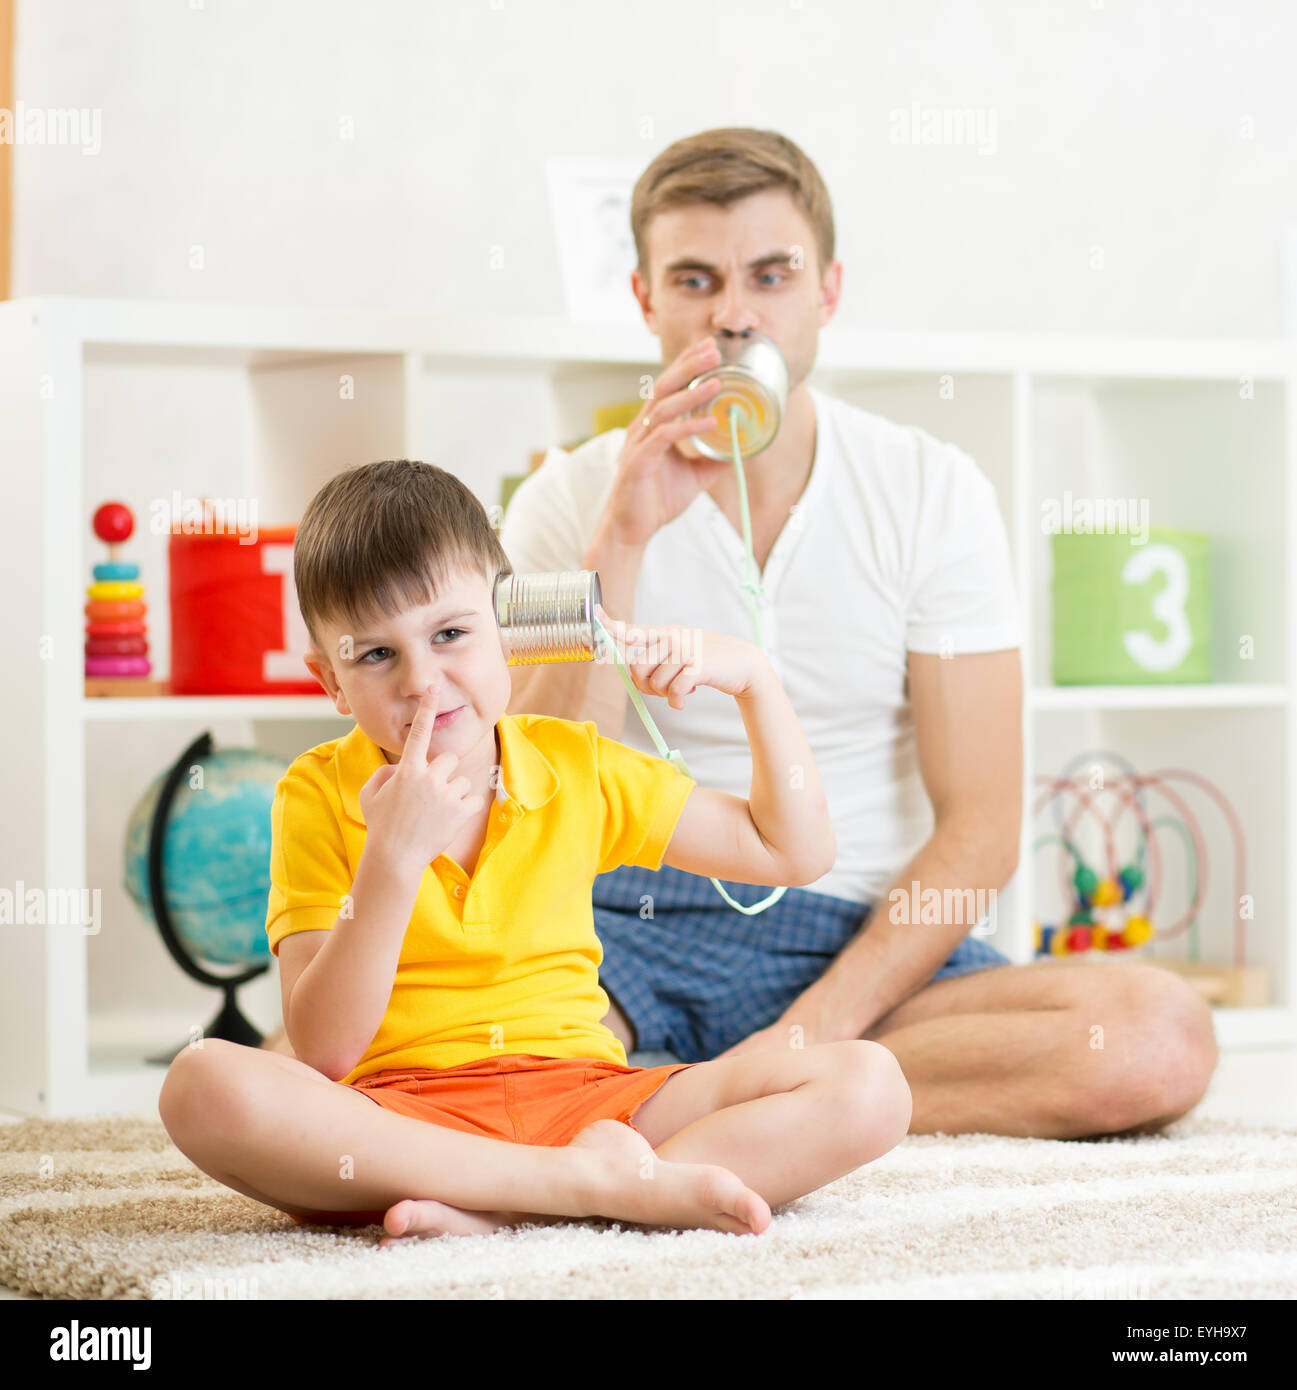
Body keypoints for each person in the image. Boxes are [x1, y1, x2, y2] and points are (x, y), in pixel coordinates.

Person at [500, 126, 1218, 1139]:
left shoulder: (929, 490)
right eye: (695, 279)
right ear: (645, 300)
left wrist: (807, 1034)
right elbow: (526, 780)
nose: (734, 314)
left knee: (1155, 1036)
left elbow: (980, 826)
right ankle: (721, 1093)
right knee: (446, 1036)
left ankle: (695, 1094)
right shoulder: (568, 496)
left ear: (827, 291)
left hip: (867, 945)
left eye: (771, 274)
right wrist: (619, 534)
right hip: (628, 926)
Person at [158, 459, 913, 1242]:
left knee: (869, 1084)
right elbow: (322, 1049)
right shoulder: (314, 794)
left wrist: (756, 682)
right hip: (405, 1124)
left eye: (450, 634)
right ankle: (587, 1187)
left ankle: (516, 1203)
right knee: (203, 1083)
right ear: (331, 684)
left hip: (589, 1099)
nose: (423, 680)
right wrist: (392, 859)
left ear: (509, 633)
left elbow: (791, 852)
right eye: (375, 655)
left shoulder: (574, 765)